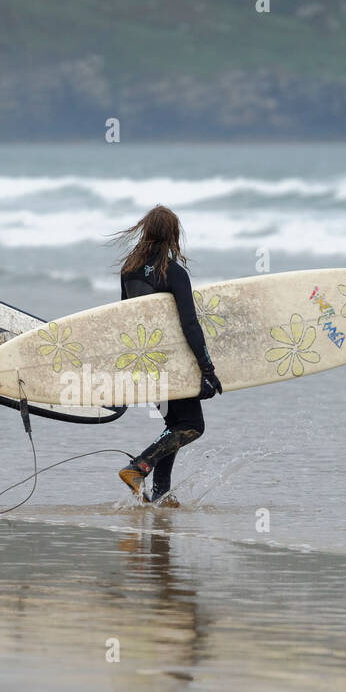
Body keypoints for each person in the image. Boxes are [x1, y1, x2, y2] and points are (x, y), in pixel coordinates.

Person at [113, 206, 222, 505]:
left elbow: (124, 319)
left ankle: (161, 495)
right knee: (191, 426)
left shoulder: (128, 270)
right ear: (173, 235)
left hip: (144, 365)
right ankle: (138, 467)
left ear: (146, 232)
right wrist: (207, 370)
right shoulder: (172, 272)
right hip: (171, 366)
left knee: (174, 426)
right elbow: (190, 323)